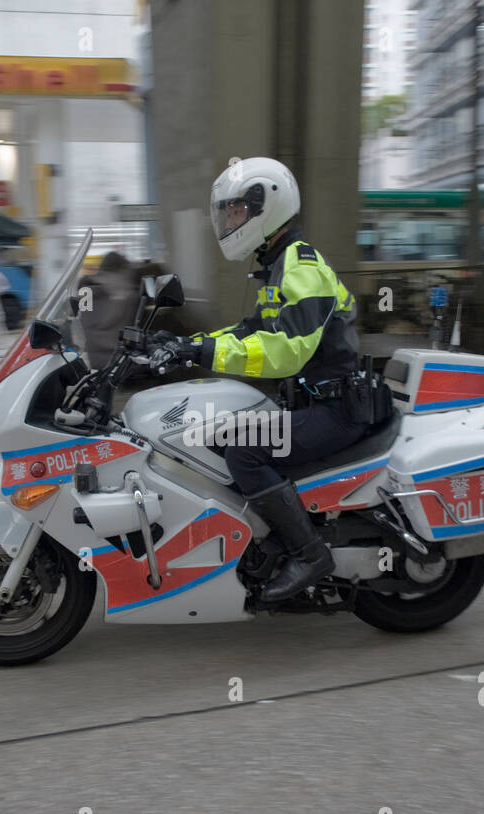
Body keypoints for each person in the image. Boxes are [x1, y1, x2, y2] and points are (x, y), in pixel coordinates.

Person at [146, 157, 373, 602]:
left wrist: (205, 352)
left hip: (335, 410)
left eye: (235, 212)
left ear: (266, 205)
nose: (229, 222)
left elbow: (287, 350)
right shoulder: (278, 265)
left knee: (245, 451)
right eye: (227, 213)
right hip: (312, 403)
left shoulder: (302, 267)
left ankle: (310, 554)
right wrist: (184, 346)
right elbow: (251, 331)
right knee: (212, 431)